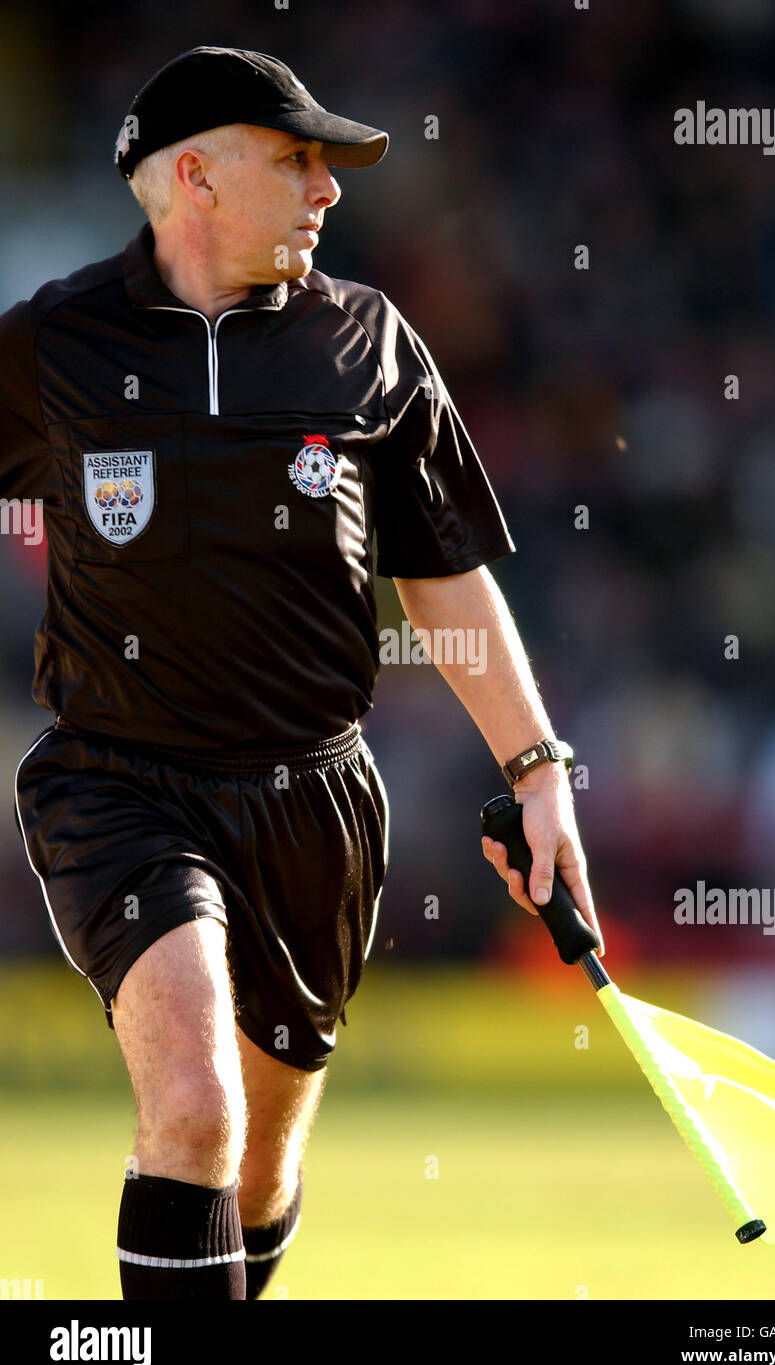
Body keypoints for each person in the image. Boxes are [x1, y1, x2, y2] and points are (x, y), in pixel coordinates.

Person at [2, 46, 602, 1300]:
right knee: (196, 1114)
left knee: (259, 1168)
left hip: (314, 802)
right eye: (296, 160)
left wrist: (536, 768)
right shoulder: (56, 342)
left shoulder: (368, 342)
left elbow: (440, 576)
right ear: (192, 179)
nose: (328, 191)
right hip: (120, 783)